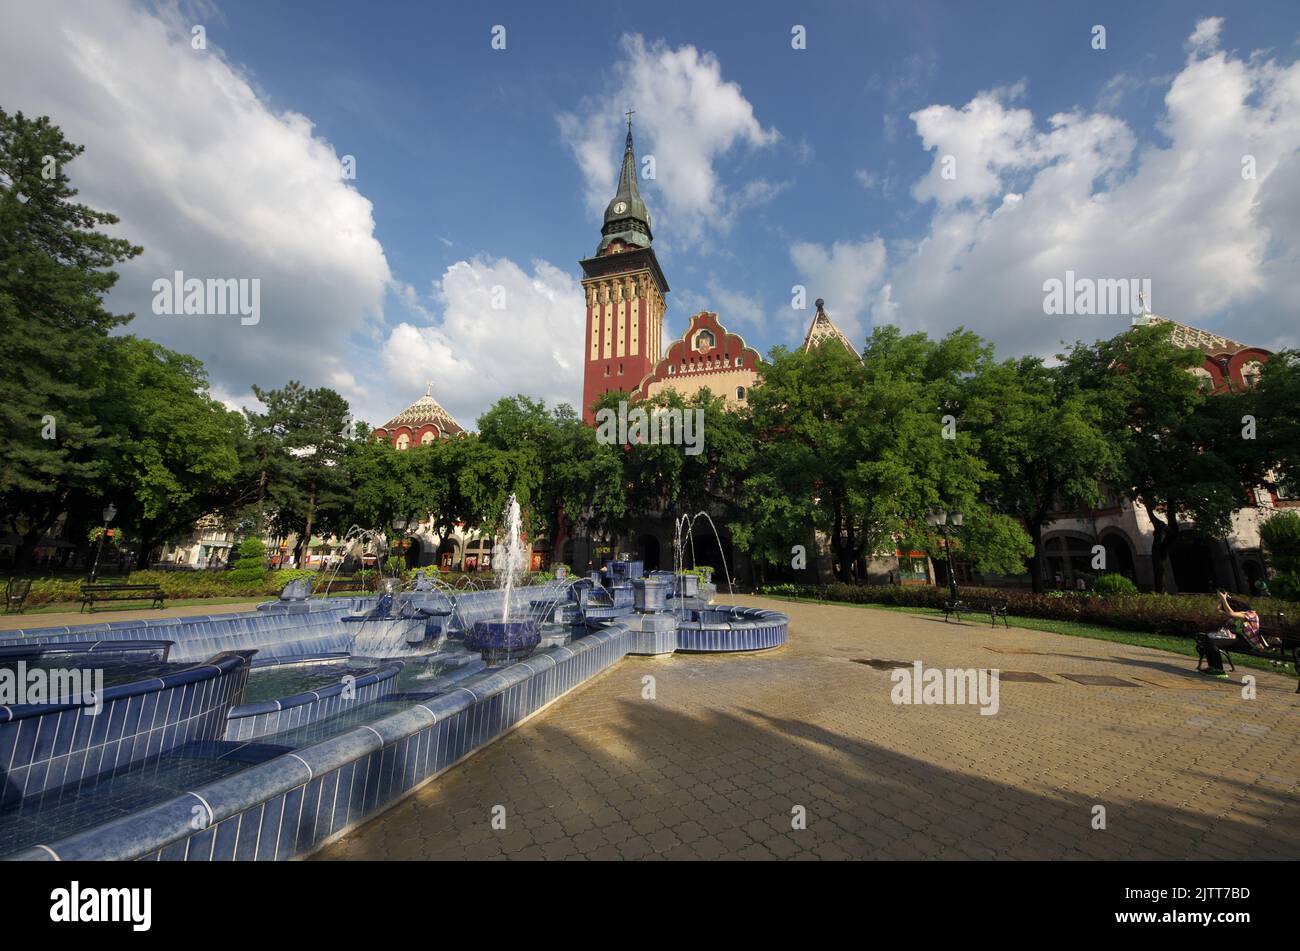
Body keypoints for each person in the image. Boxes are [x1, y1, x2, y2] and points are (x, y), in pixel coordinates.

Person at [1197, 591, 1263, 676]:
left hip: (1247, 643)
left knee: (1212, 642)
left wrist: (1224, 599)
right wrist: (1221, 599)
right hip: (1238, 640)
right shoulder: (1237, 616)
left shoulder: (1251, 614)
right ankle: (1212, 667)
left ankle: (1218, 670)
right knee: (1207, 639)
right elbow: (1216, 611)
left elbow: (1230, 613)